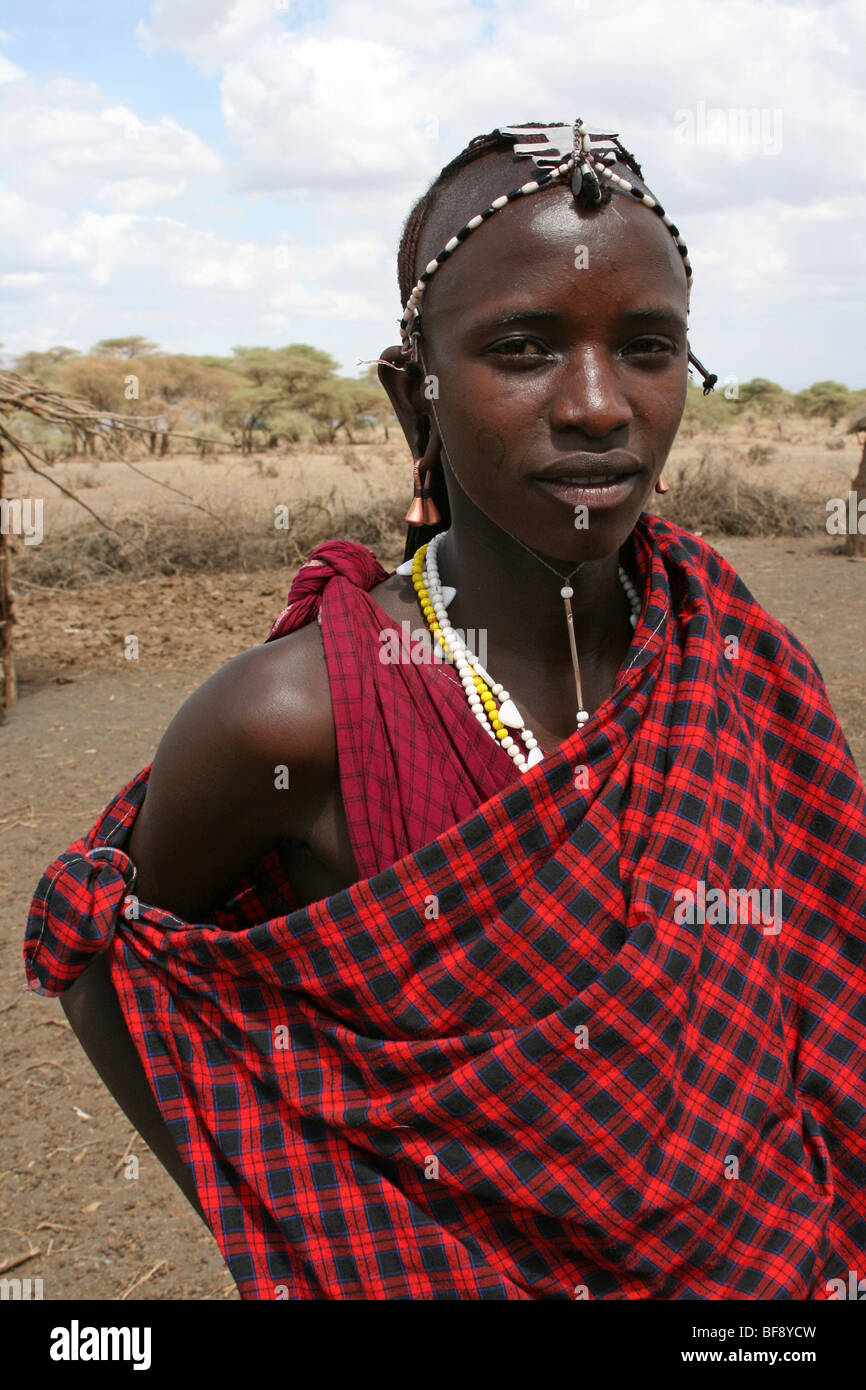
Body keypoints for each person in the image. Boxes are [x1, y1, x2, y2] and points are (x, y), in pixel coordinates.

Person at [26, 121, 866, 1300]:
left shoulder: (727, 648)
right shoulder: (295, 717)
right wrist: (289, 1223)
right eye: (521, 348)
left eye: (645, 348)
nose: (593, 405)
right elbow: (105, 953)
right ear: (410, 396)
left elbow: (811, 979)